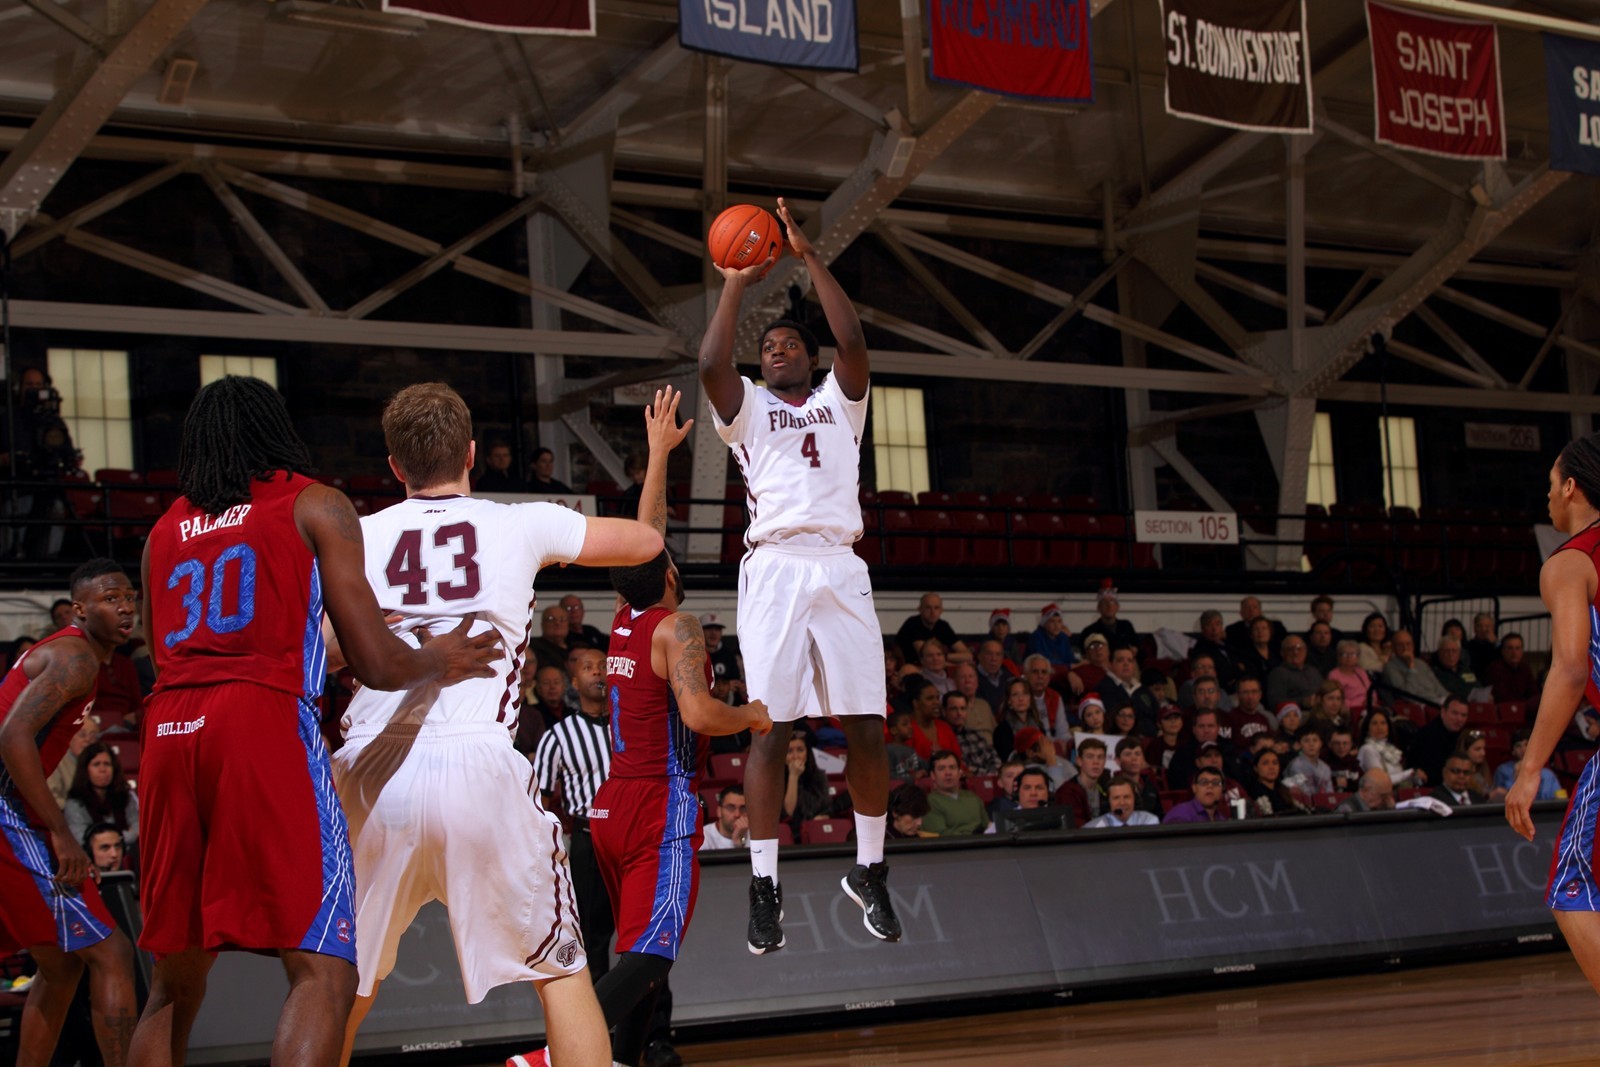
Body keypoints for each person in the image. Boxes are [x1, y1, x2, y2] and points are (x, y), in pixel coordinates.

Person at [129, 376, 503, 1067]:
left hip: (169, 731)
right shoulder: (314, 502)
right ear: (275, 428)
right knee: (324, 969)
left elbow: (163, 652)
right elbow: (377, 661)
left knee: (173, 980)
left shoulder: (161, 531)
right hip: (259, 725)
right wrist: (435, 655)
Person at [330, 383, 666, 1067]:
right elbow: (645, 542)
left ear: (394, 465)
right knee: (562, 973)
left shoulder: (354, 539)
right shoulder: (522, 522)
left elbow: (320, 653)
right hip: (479, 767)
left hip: (368, 775)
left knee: (337, 989)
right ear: (473, 454)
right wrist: (654, 457)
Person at [699, 196, 899, 952]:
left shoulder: (841, 404)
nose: (777, 348)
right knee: (770, 729)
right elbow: (712, 362)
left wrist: (809, 255)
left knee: (867, 729)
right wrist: (735, 281)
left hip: (841, 566)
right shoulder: (747, 406)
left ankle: (871, 870)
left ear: (809, 359)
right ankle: (763, 884)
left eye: (789, 342)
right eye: (770, 345)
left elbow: (851, 335)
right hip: (776, 565)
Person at [568, 437, 771, 1067]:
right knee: (652, 954)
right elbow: (698, 713)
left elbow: (644, 530)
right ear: (672, 576)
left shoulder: (626, 614)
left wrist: (658, 453)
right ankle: (558, 1053)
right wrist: (752, 716)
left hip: (610, 806)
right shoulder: (675, 626)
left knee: (639, 960)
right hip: (660, 806)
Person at [0, 559, 138, 1067]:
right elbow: (12, 737)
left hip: (11, 806)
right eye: (110, 599)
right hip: (7, 809)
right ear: (79, 610)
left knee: (59, 966)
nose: (125, 608)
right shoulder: (75, 658)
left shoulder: (80, 658)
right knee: (112, 953)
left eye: (129, 598)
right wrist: (60, 832)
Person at [533, 648, 617, 982]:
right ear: (574, 680)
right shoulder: (558, 735)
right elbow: (537, 798)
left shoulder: (636, 728)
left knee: (645, 938)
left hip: (635, 838)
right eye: (588, 667)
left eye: (603, 666)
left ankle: (653, 1031)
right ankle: (600, 1026)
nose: (598, 672)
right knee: (593, 938)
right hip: (588, 840)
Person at [64, 742, 138, 851]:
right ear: (85, 769)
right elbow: (82, 840)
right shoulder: (75, 804)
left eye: (107, 764)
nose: (103, 769)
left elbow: (138, 830)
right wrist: (125, 836)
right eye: (96, 764)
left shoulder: (125, 797)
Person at [920, 750, 989, 836]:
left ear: (960, 773)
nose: (948, 773)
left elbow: (988, 826)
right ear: (933, 775)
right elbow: (939, 836)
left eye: (952, 767)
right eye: (941, 768)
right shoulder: (929, 803)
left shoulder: (973, 797)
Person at [1407, 694, 1469, 789]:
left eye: (1463, 715)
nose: (1459, 719)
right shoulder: (1426, 736)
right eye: (1455, 713)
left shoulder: (1464, 735)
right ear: (1443, 712)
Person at [1096, 647, 1160, 735]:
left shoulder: (1142, 689)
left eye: (1130, 660)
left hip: (1150, 738)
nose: (1126, 664)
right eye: (1120, 660)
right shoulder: (1105, 687)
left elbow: (1157, 714)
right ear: (1110, 664)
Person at [780, 731, 833, 838]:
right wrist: (793, 776)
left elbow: (827, 809)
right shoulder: (776, 780)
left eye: (800, 750)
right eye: (789, 751)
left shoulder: (818, 776)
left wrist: (821, 818)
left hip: (816, 832)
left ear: (807, 753)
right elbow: (787, 813)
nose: (795, 756)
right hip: (789, 835)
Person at [894, 592, 970, 665]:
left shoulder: (943, 626)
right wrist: (949, 661)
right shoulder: (913, 623)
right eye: (928, 608)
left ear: (941, 610)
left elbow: (968, 656)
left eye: (936, 608)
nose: (933, 612)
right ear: (920, 609)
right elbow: (926, 656)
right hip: (910, 669)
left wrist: (945, 657)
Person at [1358, 708, 1422, 791]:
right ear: (1367, 729)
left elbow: (1399, 778)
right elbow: (1381, 782)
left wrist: (1415, 777)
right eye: (1374, 724)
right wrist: (1411, 773)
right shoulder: (1368, 749)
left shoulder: (1391, 749)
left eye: (1383, 723)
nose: (1379, 727)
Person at [1382, 629, 1451, 706]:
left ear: (1413, 646)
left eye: (1408, 644)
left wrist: (1451, 699)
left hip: (1436, 702)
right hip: (1418, 706)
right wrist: (1411, 667)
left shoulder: (1421, 663)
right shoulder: (1390, 667)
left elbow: (1438, 687)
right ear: (1393, 648)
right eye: (1400, 645)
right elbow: (1407, 697)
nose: (1405, 648)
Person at [942, 691, 1000, 776]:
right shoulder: (942, 736)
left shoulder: (976, 735)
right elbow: (962, 769)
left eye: (963, 708)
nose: (959, 713)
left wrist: (989, 773)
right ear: (944, 711)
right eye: (954, 709)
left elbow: (995, 759)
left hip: (987, 779)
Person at [1494, 729, 1560, 801]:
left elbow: (1559, 799)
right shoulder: (1502, 770)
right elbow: (1496, 799)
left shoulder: (1548, 774)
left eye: (1526, 744)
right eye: (1518, 746)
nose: (1523, 749)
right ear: (1513, 751)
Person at [1265, 635, 1323, 711]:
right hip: (1296, 715)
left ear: (1305, 652)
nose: (1295, 652)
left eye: (1299, 649)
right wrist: (1303, 702)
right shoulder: (1278, 674)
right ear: (1282, 653)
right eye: (1290, 649)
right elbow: (1274, 702)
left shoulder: (1313, 671)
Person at [1246, 748, 1308, 818]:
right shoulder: (1254, 792)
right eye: (1265, 763)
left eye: (1275, 763)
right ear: (1256, 768)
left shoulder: (1283, 789)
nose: (1271, 767)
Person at [1083, 776, 1159, 828]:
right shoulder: (1095, 828)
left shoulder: (1148, 821)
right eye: (1116, 798)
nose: (1122, 803)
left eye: (1126, 797)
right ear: (1108, 802)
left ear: (1134, 799)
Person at [1162, 766, 1230, 824]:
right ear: (1194, 788)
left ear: (1222, 789)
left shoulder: (1222, 819)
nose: (1210, 786)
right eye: (1204, 782)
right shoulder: (1180, 815)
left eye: (1215, 783)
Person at [1079, 586, 1138, 653]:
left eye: (1112, 602)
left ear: (1117, 607)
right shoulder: (1089, 632)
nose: (1109, 606)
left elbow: (1137, 648)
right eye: (1104, 603)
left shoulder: (1126, 626)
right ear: (1098, 608)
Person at [1485, 633, 1539, 704]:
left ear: (1522, 651)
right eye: (1510, 648)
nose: (1514, 652)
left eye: (1517, 648)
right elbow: (1501, 697)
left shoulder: (1525, 668)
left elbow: (1534, 693)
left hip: (1524, 709)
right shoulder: (1495, 669)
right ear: (1503, 651)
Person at [1192, 610, 1239, 690]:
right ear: (1203, 629)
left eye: (1217, 624)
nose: (1214, 629)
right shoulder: (1201, 649)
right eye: (1209, 625)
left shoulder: (1229, 645)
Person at [1327, 639, 1374, 714]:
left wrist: (1371, 701)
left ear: (1358, 658)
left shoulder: (1361, 672)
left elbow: (1371, 689)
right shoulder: (1334, 675)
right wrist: (1360, 704)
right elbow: (1336, 698)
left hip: (1367, 707)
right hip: (1348, 710)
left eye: (1353, 654)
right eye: (1345, 654)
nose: (1349, 657)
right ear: (1338, 657)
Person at [701, 785, 750, 851]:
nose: (737, 814)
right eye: (730, 807)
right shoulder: (703, 836)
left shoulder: (756, 834)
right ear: (719, 811)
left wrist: (740, 842)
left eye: (743, 808)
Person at [1431, 636, 1479, 701]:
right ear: (1439, 652)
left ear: (1459, 653)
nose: (1450, 654)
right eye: (1446, 651)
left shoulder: (1465, 670)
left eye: (1454, 651)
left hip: (1474, 705)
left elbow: (1477, 686)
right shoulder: (1434, 674)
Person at [528, 605, 574, 673]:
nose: (557, 623)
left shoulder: (575, 647)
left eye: (562, 619)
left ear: (568, 624)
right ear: (542, 624)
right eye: (551, 619)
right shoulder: (533, 647)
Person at [1466, 611, 1499, 678]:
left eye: (1487, 626)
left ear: (1493, 627)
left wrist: (1495, 643)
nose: (1483, 629)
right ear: (1474, 628)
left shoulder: (1499, 646)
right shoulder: (1468, 646)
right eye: (1479, 626)